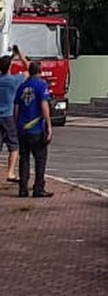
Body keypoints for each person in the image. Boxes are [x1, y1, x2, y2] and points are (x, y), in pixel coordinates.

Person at [13, 61, 52, 198]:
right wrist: (48, 124)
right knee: (40, 159)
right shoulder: (41, 85)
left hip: (22, 129)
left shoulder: (21, 86)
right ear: (40, 71)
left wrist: (17, 124)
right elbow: (44, 105)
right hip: (36, 129)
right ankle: (38, 188)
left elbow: (16, 108)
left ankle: (23, 189)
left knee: (24, 159)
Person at [0, 55, 19, 182]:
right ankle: (10, 172)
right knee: (14, 146)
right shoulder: (13, 80)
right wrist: (19, 55)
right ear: (10, 66)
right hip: (8, 116)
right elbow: (30, 69)